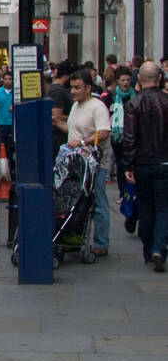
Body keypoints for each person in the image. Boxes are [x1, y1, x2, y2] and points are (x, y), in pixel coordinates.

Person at [123, 62, 168, 271]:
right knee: (164, 207)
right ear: (159, 78)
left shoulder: (134, 104)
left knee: (146, 206)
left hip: (142, 162)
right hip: (164, 161)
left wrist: (128, 164)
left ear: (139, 79)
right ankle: (159, 248)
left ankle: (150, 248)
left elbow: (129, 138)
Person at [62, 68, 111, 256]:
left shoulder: (97, 107)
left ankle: (101, 243)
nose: (73, 91)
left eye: (77, 87)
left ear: (88, 88)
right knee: (76, 202)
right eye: (72, 87)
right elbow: (73, 128)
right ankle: (75, 236)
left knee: (98, 202)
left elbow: (104, 132)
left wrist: (83, 142)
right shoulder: (76, 105)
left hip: (94, 164)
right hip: (76, 163)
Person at [102, 66, 136, 219]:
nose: (126, 83)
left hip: (132, 136)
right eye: (123, 80)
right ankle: (124, 193)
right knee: (122, 165)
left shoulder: (134, 96)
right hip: (117, 137)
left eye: (128, 80)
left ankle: (131, 192)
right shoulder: (111, 96)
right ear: (117, 81)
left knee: (130, 166)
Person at [48, 59, 77, 160]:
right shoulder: (58, 92)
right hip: (59, 136)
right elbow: (57, 115)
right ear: (66, 76)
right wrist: (75, 117)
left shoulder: (62, 90)